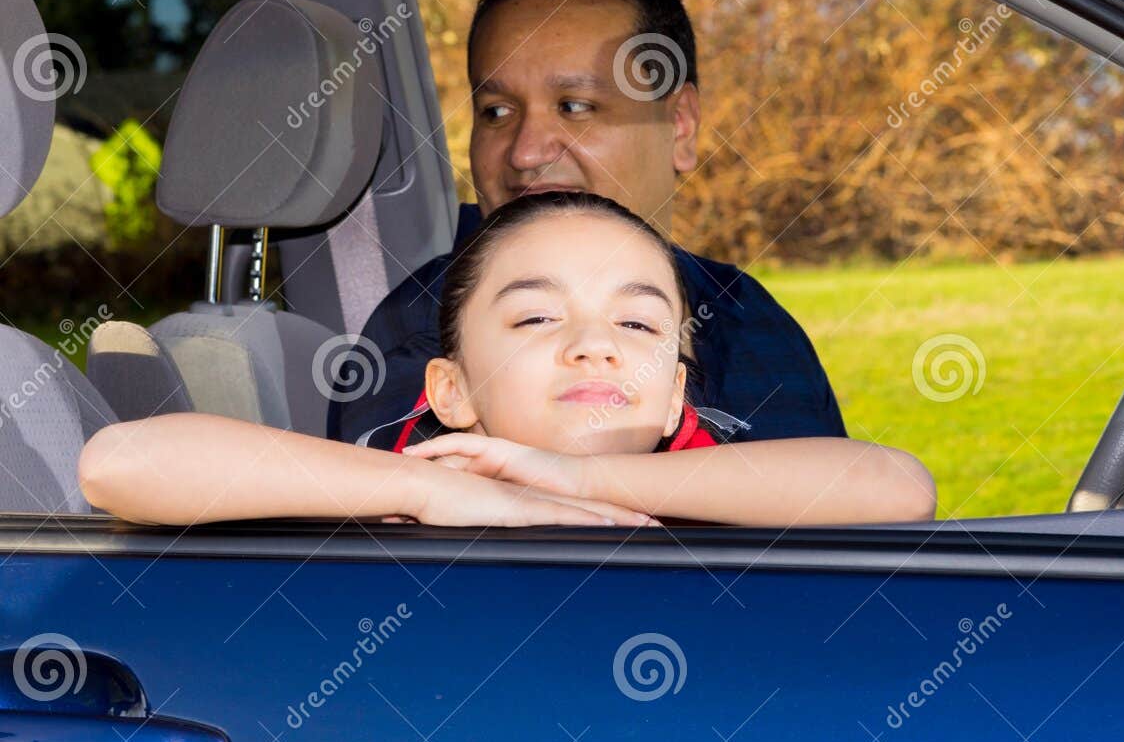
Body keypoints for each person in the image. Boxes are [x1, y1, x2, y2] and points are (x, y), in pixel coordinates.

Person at [80, 192, 934, 529]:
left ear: (678, 396)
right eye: (535, 315)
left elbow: (898, 487)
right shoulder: (416, 474)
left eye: (638, 327)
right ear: (448, 390)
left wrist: (584, 484)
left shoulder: (703, 472)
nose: (593, 342)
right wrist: (432, 491)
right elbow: (124, 463)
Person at [329, 0, 845, 450]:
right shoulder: (432, 324)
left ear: (680, 126)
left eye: (575, 107)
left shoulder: (749, 316)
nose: (526, 152)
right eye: (497, 111)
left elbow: (845, 515)